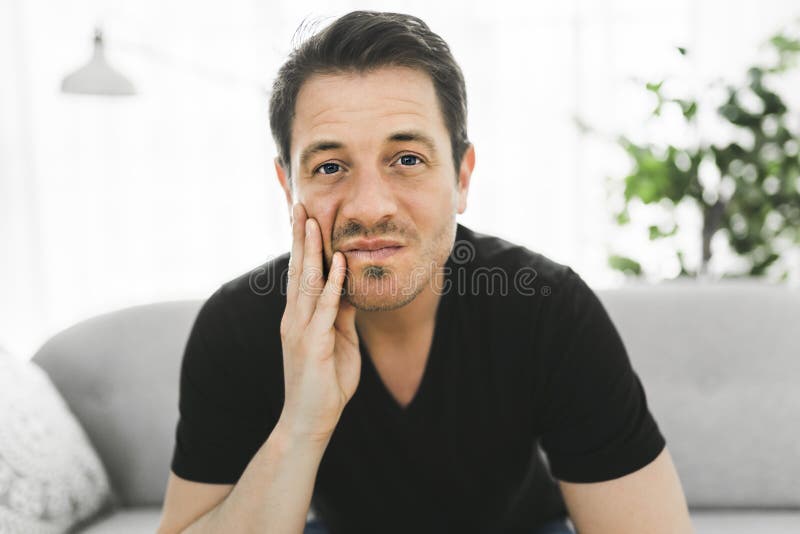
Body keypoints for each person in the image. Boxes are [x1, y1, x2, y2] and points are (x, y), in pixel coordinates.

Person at [157, 10, 695, 534]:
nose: (369, 207)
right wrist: (302, 420)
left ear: (462, 177)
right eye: (329, 167)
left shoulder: (549, 309)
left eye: (407, 159)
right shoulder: (235, 325)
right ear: (287, 187)